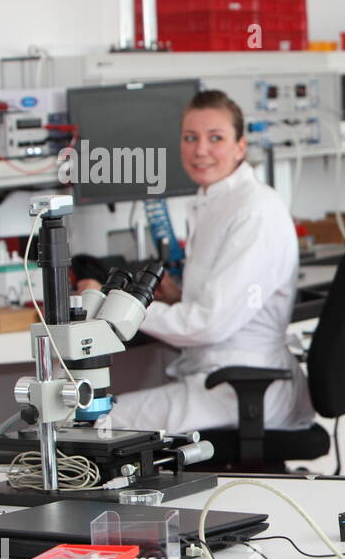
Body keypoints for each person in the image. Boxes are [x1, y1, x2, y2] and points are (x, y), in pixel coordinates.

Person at [87, 89, 313, 435]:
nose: (200, 150)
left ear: (240, 146)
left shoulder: (255, 211)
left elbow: (208, 324)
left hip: (244, 389)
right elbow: (218, 307)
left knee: (92, 423)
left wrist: (113, 305)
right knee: (96, 416)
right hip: (222, 378)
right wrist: (177, 298)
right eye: (190, 138)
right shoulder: (217, 201)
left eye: (215, 138)